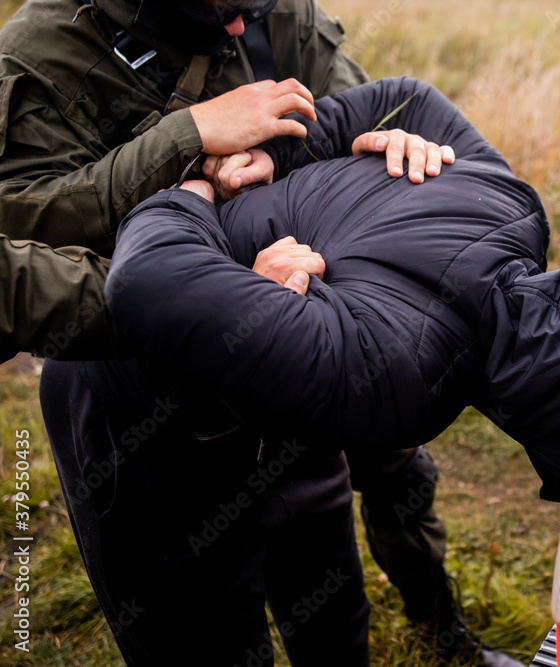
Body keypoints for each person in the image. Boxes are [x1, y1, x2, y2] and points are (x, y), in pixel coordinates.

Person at [41, 75, 560, 666]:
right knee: (203, 631)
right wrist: (195, 192)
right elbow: (146, 281)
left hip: (279, 406)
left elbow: (406, 99)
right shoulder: (399, 385)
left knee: (326, 597)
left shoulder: (514, 206)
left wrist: (273, 159)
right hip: (142, 411)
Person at [0, 0, 518, 664]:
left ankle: (439, 621)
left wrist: (377, 152)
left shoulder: (274, 11)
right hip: (138, 395)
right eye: (223, 9)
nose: (245, 26)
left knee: (334, 601)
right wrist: (185, 141)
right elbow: (22, 234)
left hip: (293, 336)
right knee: (203, 634)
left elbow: (348, 109)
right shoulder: (42, 56)